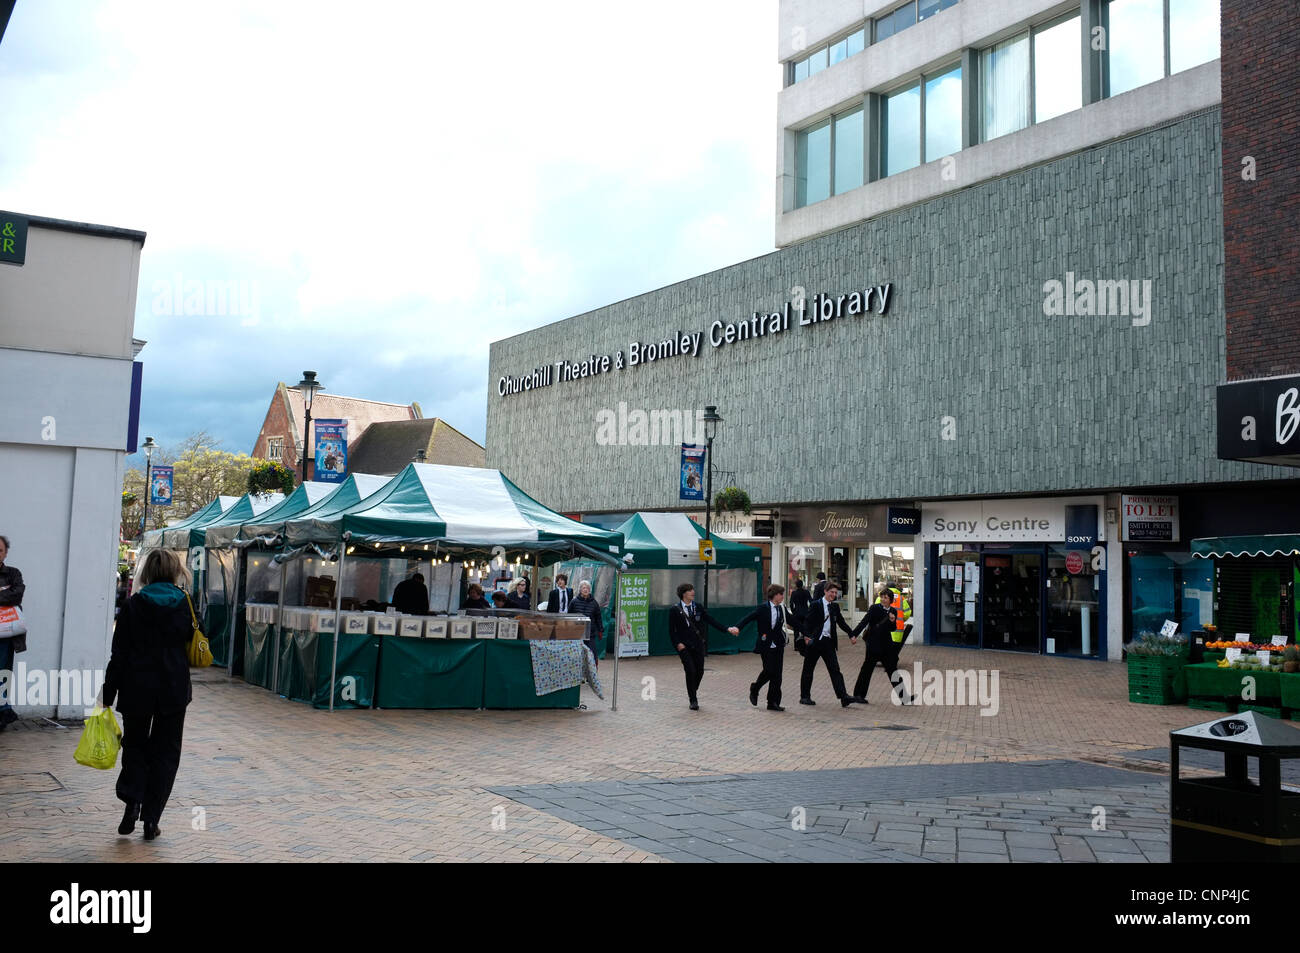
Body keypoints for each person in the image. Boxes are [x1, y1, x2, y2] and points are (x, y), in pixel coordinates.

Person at [101, 549, 194, 841]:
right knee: (166, 754)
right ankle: (151, 819)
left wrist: (108, 692)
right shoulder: (185, 604)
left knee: (135, 746)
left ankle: (132, 800)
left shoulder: (133, 605)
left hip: (136, 687)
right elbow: (197, 637)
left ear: (148, 571)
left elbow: (119, 654)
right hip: (173, 689)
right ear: (174, 570)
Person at [667, 583, 739, 711]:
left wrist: (727, 629)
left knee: (699, 671)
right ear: (684, 594)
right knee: (690, 670)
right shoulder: (675, 610)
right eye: (690, 590)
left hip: (698, 644)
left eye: (693, 589)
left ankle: (692, 690)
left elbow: (710, 620)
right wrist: (678, 644)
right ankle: (693, 699)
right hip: (684, 646)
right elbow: (672, 631)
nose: (693, 592)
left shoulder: (698, 607)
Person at [798, 582, 861, 708]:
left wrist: (851, 634)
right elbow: (807, 622)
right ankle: (805, 697)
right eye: (831, 592)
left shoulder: (835, 607)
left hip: (828, 643)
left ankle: (843, 697)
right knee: (808, 670)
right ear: (825, 592)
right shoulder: (816, 605)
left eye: (835, 593)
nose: (833, 595)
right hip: (815, 642)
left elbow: (841, 622)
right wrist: (807, 636)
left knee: (835, 670)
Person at [736, 584, 792, 711]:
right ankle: (755, 688)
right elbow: (748, 618)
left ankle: (772, 703)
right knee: (769, 670)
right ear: (774, 595)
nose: (783, 596)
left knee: (777, 674)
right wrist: (738, 627)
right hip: (765, 644)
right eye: (781, 594)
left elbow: (793, 621)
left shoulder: (782, 609)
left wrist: (807, 633)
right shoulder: (762, 608)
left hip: (778, 644)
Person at [851, 588, 913, 703]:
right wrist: (853, 634)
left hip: (886, 645)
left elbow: (892, 628)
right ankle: (858, 695)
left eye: (886, 597)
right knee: (867, 670)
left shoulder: (893, 611)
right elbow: (864, 621)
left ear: (891, 600)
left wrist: (892, 621)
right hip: (873, 644)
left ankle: (904, 697)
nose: (883, 599)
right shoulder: (875, 608)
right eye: (882, 597)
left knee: (892, 670)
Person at [0, 535, 25, 730]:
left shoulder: (13, 573)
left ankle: (2, 713)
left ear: (6, 553)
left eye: (0, 550)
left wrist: (7, 594)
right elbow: (9, 595)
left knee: (3, 673)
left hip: (5, 635)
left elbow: (17, 593)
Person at [570, 579, 605, 666]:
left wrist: (600, 630)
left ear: (589, 590)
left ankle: (593, 674)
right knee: (578, 655)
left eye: (587, 588)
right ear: (580, 590)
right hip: (577, 634)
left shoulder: (594, 603)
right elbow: (569, 617)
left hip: (590, 634)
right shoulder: (574, 602)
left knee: (592, 654)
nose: (585, 590)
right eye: (583, 588)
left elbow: (598, 617)